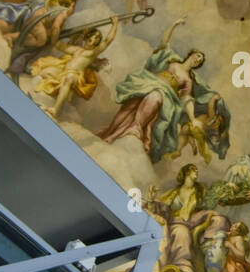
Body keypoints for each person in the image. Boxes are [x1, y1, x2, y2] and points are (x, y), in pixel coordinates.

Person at [97, 17, 230, 164]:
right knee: (129, 107)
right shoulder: (172, 60)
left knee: (155, 97)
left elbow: (187, 100)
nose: (197, 60)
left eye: (200, 61)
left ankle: (136, 127)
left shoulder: (188, 80)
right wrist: (174, 24)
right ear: (191, 54)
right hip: (149, 83)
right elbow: (164, 43)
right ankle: (111, 133)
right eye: (197, 56)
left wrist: (193, 120)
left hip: (165, 94)